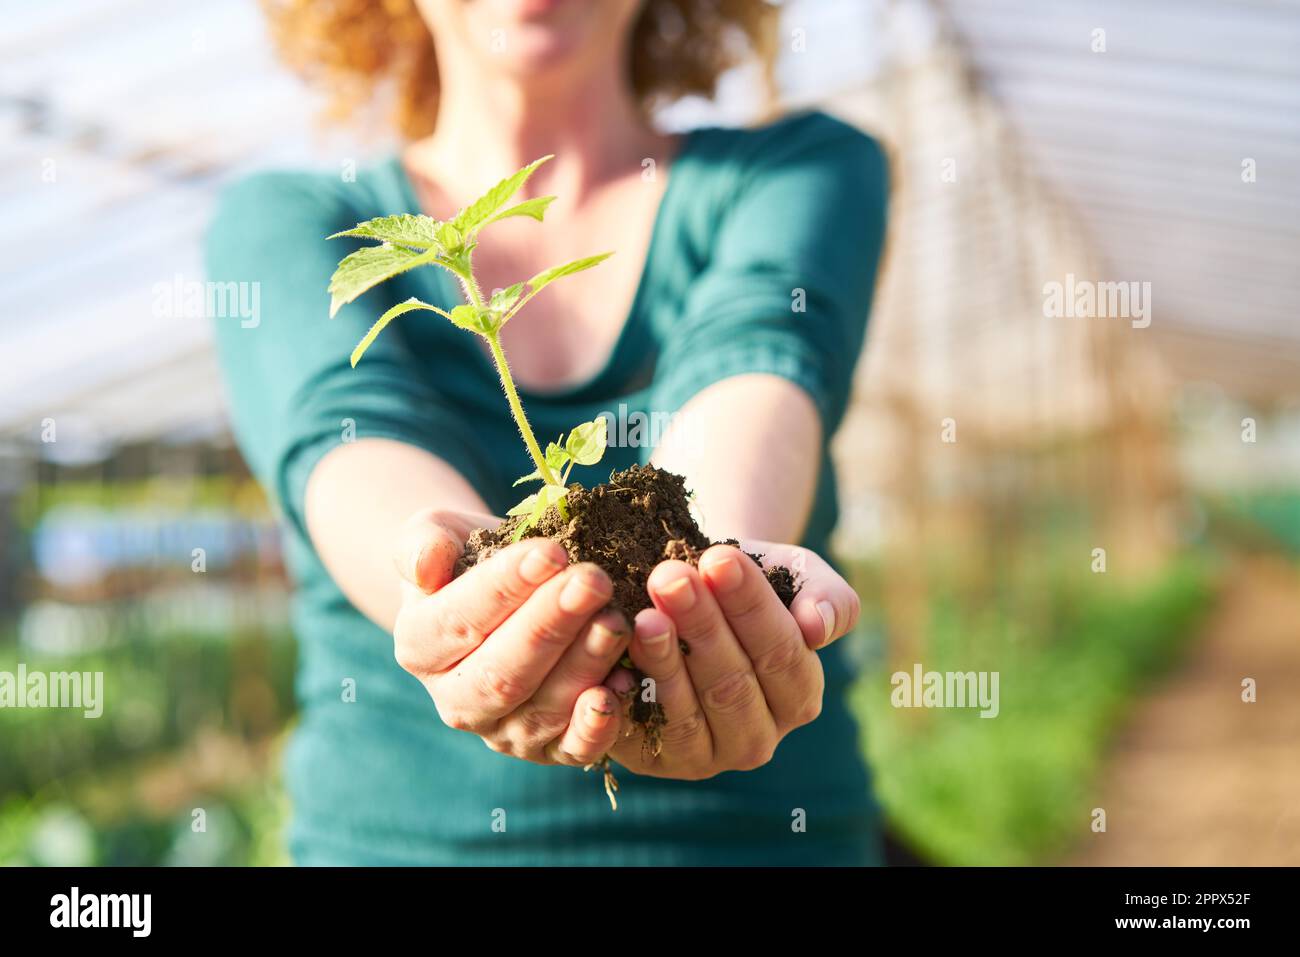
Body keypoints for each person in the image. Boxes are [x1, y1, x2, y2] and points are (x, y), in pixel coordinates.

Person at [207, 0, 888, 864]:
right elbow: (346, 434)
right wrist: (447, 592)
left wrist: (707, 579)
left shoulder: (802, 169)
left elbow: (754, 366)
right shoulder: (288, 219)